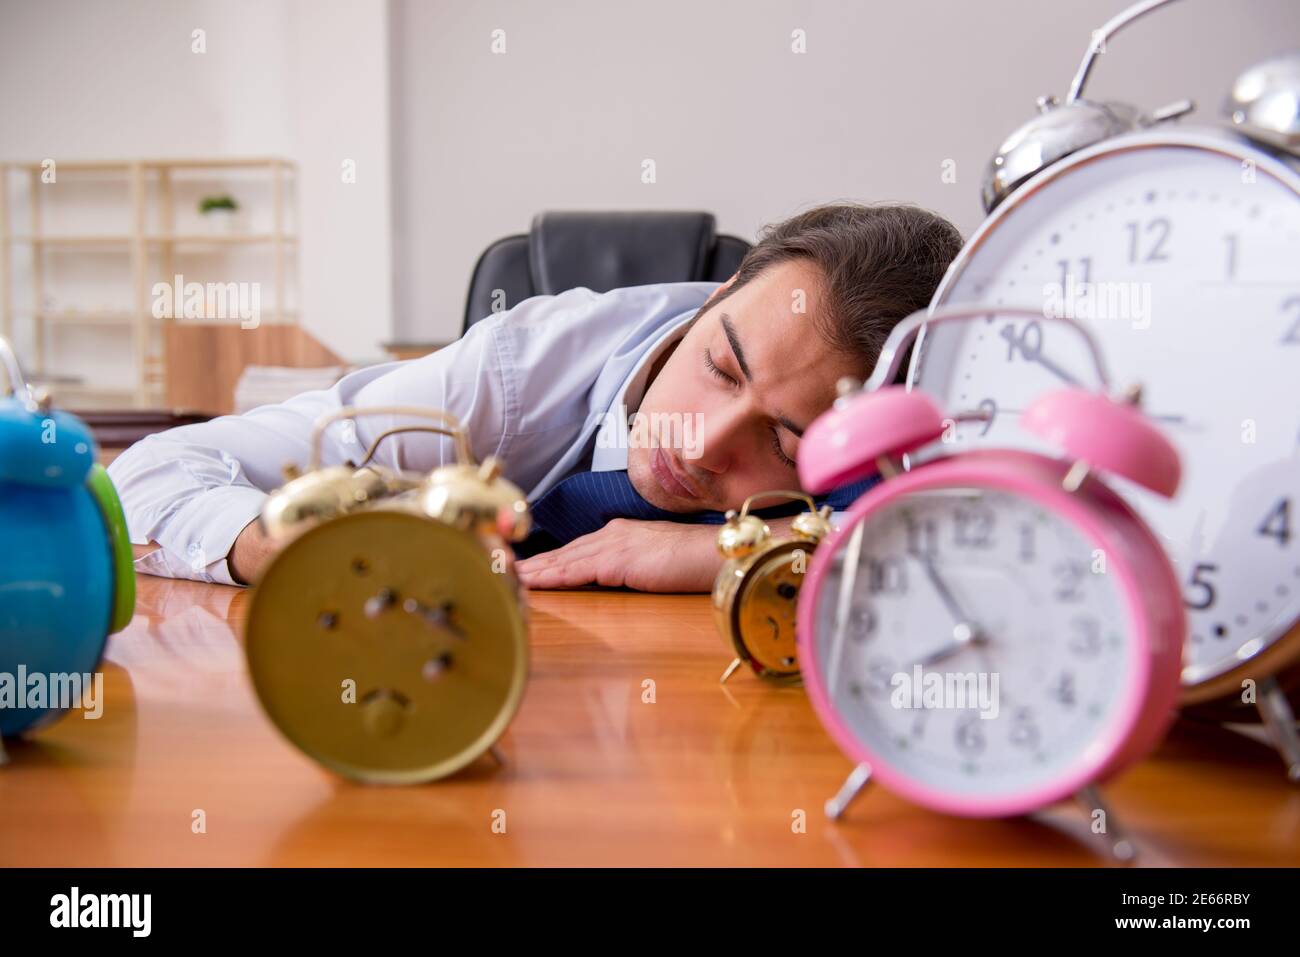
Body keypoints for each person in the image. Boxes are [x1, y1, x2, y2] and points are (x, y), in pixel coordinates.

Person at [108, 202, 963, 592]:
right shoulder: (512, 375)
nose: (702, 445)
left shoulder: (913, 428)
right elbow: (155, 470)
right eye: (722, 368)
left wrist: (736, 551)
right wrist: (273, 546)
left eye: (783, 443)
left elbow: (1012, 538)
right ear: (717, 292)